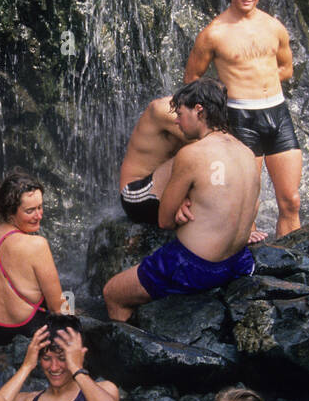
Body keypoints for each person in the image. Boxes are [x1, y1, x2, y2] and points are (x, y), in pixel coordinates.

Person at [103, 79, 259, 321]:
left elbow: (165, 221)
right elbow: (251, 204)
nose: (175, 120)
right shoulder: (246, 152)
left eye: (180, 113)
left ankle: (132, 349)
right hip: (239, 262)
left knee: (112, 292)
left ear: (199, 110)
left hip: (195, 267)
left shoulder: (192, 153)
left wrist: (177, 207)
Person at [184, 0, 302, 238]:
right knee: (247, 205)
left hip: (277, 113)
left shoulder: (274, 26)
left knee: (291, 201)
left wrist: (262, 83)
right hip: (240, 117)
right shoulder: (214, 33)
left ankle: (294, 269)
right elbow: (192, 80)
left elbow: (286, 68)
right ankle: (249, 272)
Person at [0, 170, 70, 347]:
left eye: (40, 207)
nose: (39, 215)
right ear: (10, 213)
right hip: (27, 333)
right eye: (30, 210)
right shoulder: (37, 245)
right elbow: (57, 307)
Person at [119, 95, 187, 225]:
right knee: (195, 154)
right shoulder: (166, 110)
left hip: (164, 187)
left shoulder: (191, 113)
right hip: (136, 195)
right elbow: (210, 146)